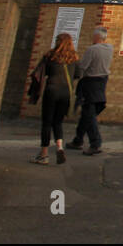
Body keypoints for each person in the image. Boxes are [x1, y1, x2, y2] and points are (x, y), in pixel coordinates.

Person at [31, 32, 81, 165]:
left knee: (47, 122)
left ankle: (44, 154)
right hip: (65, 93)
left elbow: (41, 72)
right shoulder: (74, 58)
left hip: (51, 90)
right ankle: (59, 146)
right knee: (58, 122)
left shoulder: (50, 56)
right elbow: (78, 75)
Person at [69, 26, 113, 156]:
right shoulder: (110, 48)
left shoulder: (92, 49)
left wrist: (75, 63)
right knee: (87, 112)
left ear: (96, 37)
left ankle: (95, 143)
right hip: (102, 80)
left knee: (89, 113)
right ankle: (78, 140)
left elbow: (83, 66)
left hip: (90, 82)